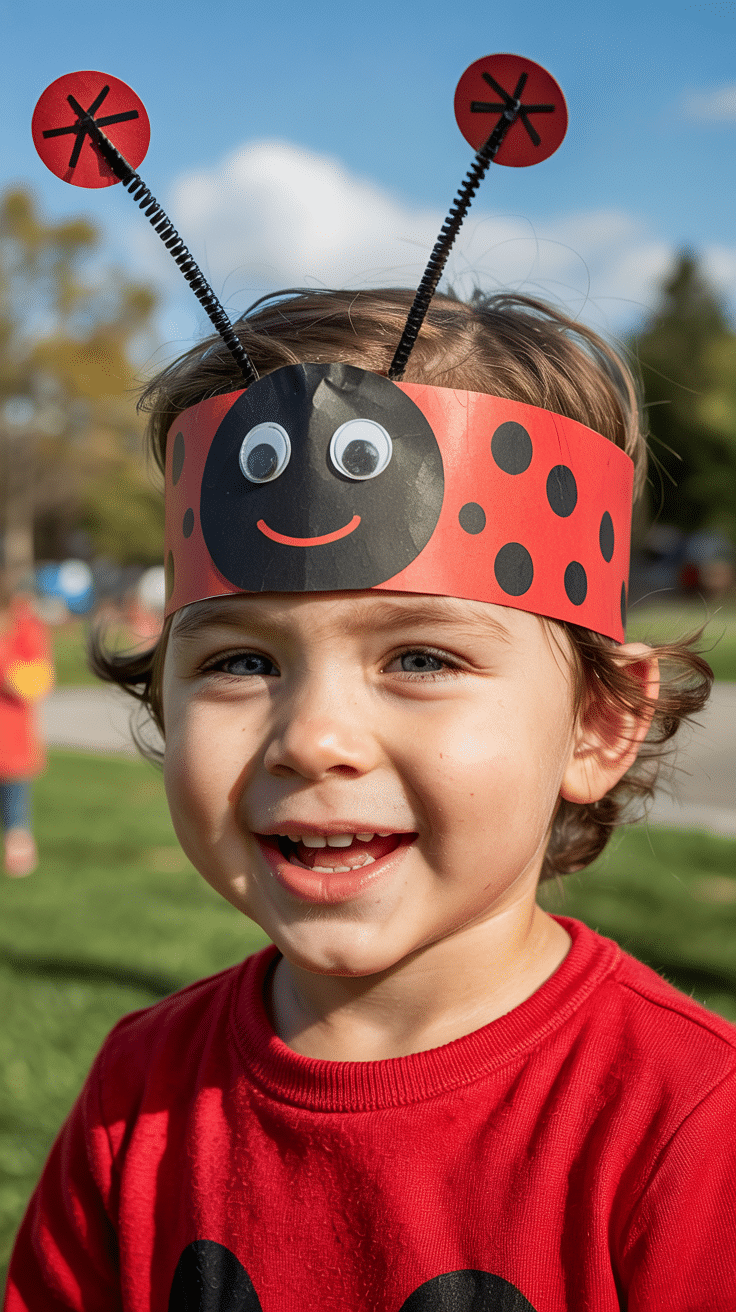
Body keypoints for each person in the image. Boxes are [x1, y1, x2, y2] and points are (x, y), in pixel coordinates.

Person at [4, 289, 730, 1312]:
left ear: (598, 725)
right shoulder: (137, 1096)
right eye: (243, 658)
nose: (311, 737)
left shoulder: (691, 1128)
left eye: (421, 656)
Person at [0, 572, 54, 878]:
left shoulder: (25, 625)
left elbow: (38, 681)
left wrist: (6, 665)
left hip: (11, 739)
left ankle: (18, 856)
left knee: (15, 811)